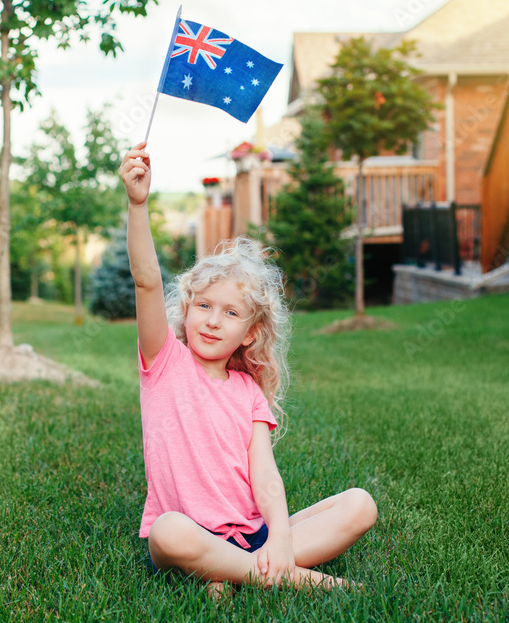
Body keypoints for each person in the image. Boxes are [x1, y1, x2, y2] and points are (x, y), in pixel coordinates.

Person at [119, 141, 377, 593]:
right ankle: (297, 581)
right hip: (189, 535)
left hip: (251, 534)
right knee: (166, 533)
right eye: (204, 306)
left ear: (252, 332)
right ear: (187, 308)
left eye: (231, 313)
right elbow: (146, 281)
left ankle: (233, 573)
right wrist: (137, 205)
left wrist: (279, 536)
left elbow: (265, 475)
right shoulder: (165, 364)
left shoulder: (247, 391)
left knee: (361, 504)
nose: (214, 320)